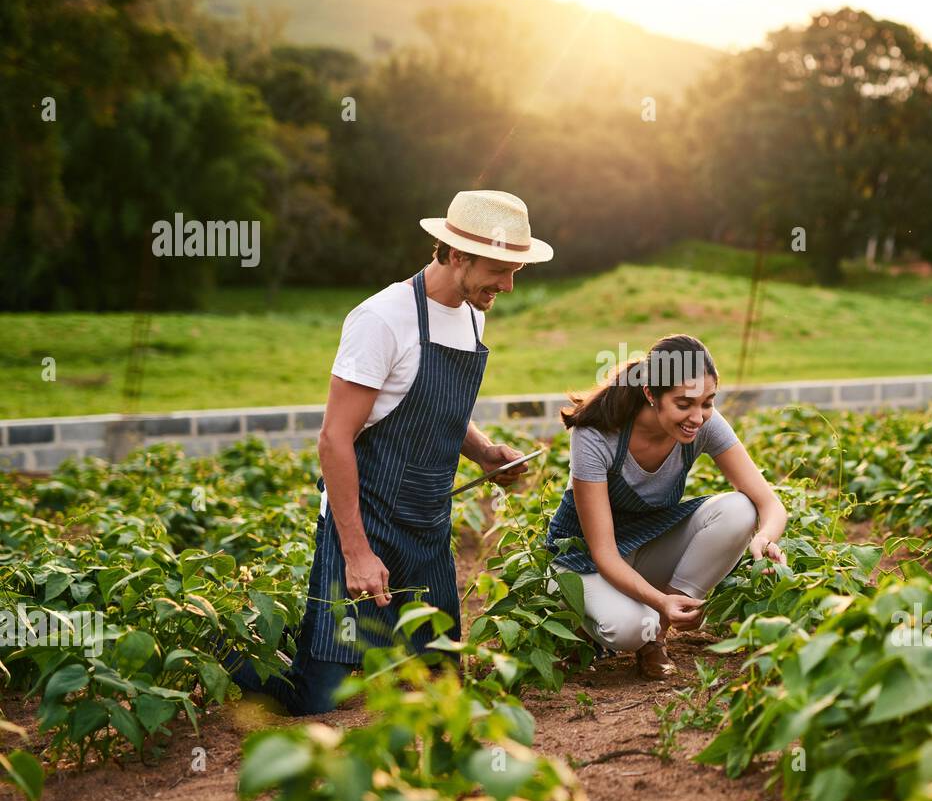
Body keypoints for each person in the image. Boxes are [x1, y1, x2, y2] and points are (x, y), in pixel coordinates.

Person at [228, 190, 553, 713]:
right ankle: (226, 649)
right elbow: (334, 438)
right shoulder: (381, 319)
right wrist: (357, 553)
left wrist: (483, 452)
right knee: (317, 700)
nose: (508, 285)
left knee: (442, 680)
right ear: (456, 255)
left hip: (427, 525)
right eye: (499, 270)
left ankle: (306, 633)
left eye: (515, 271)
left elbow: (430, 403)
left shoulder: (473, 315)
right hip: (366, 520)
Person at [544, 335, 788, 679]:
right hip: (583, 561)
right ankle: (582, 627)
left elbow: (768, 503)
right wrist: (659, 599)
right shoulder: (596, 435)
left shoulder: (704, 423)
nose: (697, 417)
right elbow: (604, 553)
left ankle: (656, 634)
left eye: (707, 402)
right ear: (650, 394)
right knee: (629, 629)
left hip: (643, 549)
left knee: (740, 510)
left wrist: (764, 539)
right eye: (683, 404)